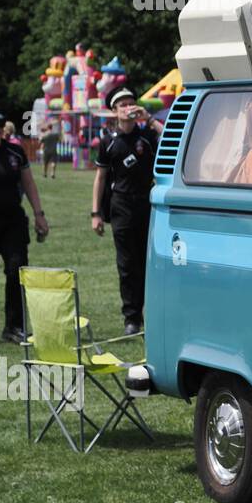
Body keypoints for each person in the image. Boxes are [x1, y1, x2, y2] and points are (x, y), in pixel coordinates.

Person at [93, 86, 161, 335]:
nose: (128, 107)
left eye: (131, 102)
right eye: (123, 104)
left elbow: (173, 141)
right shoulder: (108, 142)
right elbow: (100, 178)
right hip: (121, 205)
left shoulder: (147, 137)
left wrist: (150, 119)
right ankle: (131, 318)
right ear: (114, 111)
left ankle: (150, 313)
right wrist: (95, 213)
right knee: (126, 264)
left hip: (147, 203)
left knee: (148, 261)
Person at [0, 106, 49, 344]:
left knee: (17, 271)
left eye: (0, 123)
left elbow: (29, 184)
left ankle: (14, 327)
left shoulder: (15, 152)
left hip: (12, 223)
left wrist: (39, 214)